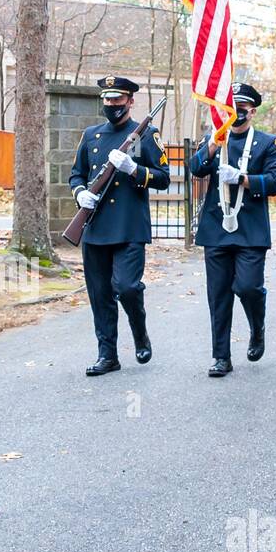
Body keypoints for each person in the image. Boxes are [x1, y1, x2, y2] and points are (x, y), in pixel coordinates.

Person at [69, 75, 171, 376]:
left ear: (130, 101)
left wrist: (134, 169)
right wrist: (80, 194)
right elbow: (76, 174)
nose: (112, 104)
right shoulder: (91, 135)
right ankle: (107, 355)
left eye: (118, 99)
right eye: (108, 99)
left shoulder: (146, 134)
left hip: (128, 227)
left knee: (127, 288)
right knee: (99, 295)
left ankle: (139, 333)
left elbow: (163, 178)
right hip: (96, 227)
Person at [189, 83, 276, 376]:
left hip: (250, 230)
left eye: (241, 108)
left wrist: (243, 178)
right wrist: (212, 145)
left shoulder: (268, 143)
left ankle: (257, 327)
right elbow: (195, 168)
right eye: (230, 107)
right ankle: (221, 357)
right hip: (216, 228)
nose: (236, 113)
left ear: (252, 111)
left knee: (248, 287)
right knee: (218, 295)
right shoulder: (216, 138)